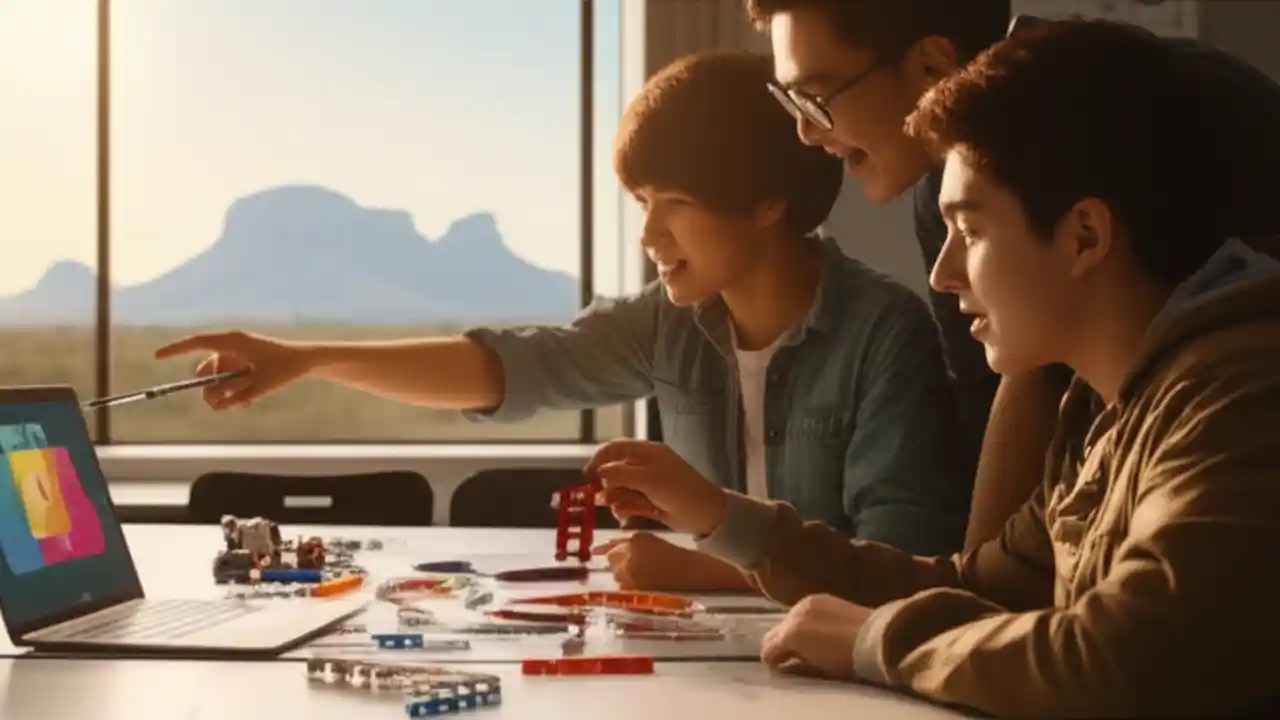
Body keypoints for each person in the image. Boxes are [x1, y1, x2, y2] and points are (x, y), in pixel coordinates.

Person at [586, 21, 1280, 717]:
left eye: (970, 231)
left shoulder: (1243, 392)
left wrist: (874, 640)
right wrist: (726, 519)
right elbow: (978, 586)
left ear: (1085, 236)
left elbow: (1130, 660)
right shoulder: (1107, 413)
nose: (944, 275)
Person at [154, 51, 972, 589]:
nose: (649, 236)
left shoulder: (886, 335)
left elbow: (905, 568)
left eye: (673, 207)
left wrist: (702, 564)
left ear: (767, 203)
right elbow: (509, 368)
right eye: (643, 206)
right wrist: (304, 359)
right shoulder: (670, 323)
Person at [746, 0, 1280, 549]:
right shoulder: (943, 192)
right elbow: (1006, 406)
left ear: (931, 67)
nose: (806, 133)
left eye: (815, 97)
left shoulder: (1171, 111)